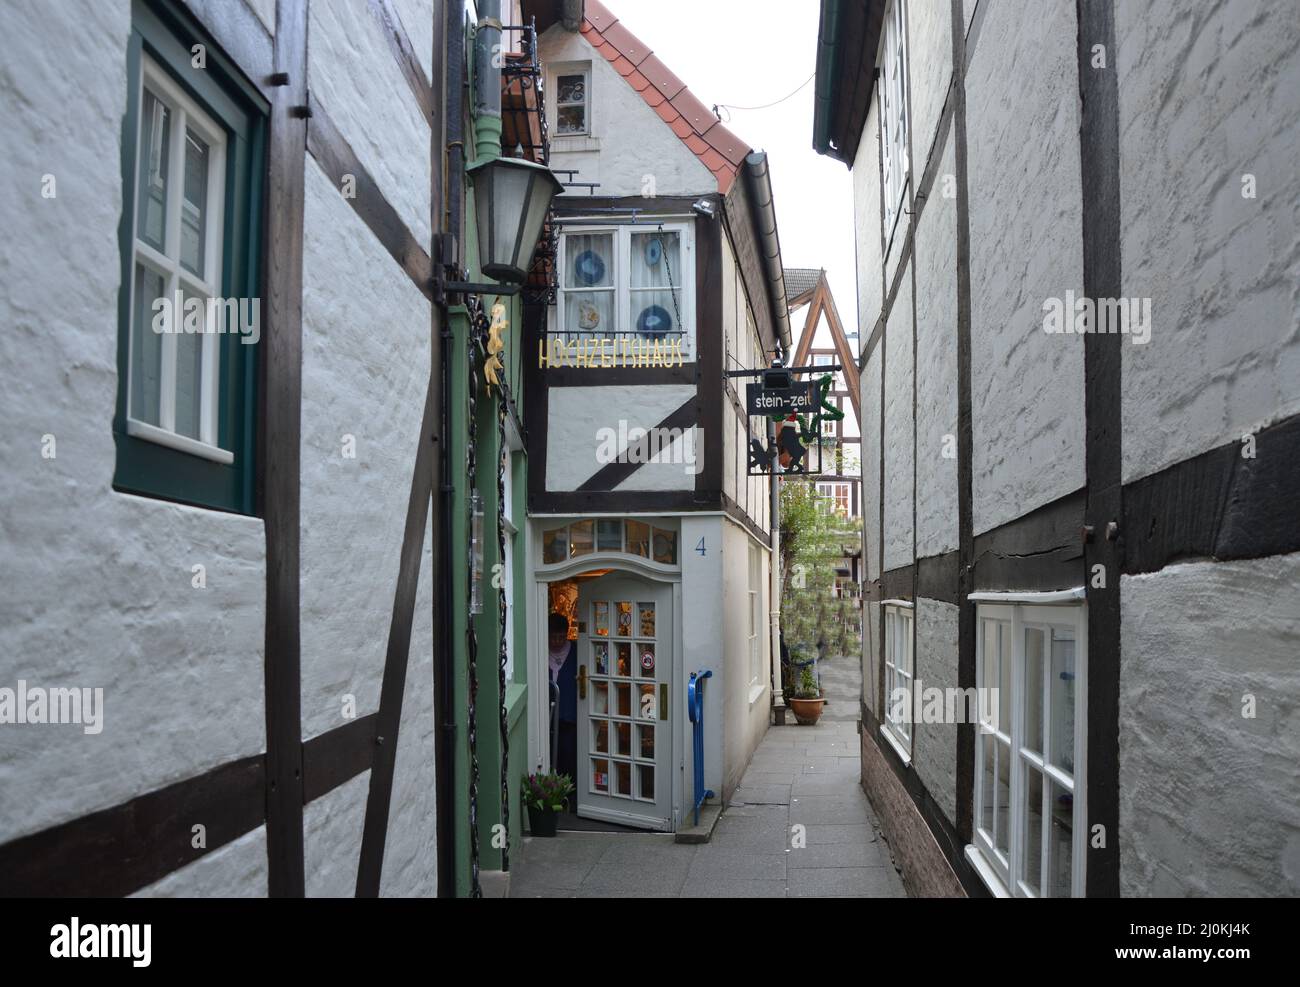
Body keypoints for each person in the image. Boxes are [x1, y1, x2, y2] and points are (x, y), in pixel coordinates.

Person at [548, 612, 578, 788]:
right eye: (553, 637)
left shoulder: (575, 651)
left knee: (569, 754)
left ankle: (570, 793)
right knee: (551, 754)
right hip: (548, 715)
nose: (557, 641)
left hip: (569, 714)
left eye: (561, 637)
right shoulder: (541, 651)